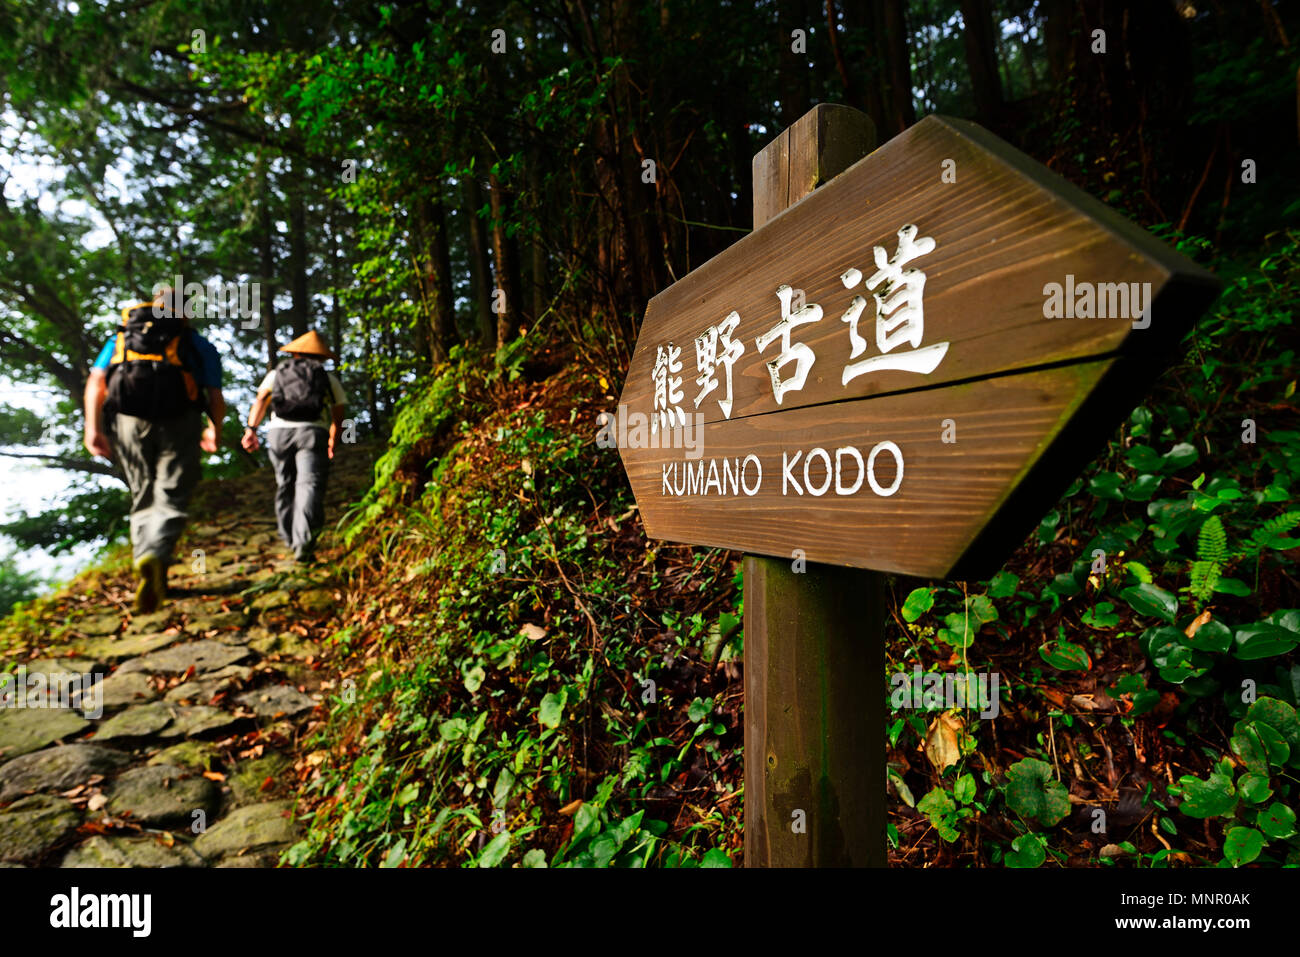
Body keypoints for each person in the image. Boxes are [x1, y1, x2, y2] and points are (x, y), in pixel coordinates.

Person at [83, 295, 226, 613]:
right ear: (185, 314)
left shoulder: (122, 337)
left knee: (142, 490)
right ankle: (157, 555)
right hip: (180, 419)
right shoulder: (194, 343)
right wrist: (214, 428)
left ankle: (145, 559)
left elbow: (97, 381)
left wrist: (93, 428)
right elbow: (214, 394)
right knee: (172, 490)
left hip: (128, 420)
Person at [240, 330, 346, 564]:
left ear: (296, 353)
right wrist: (332, 442)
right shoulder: (328, 379)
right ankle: (304, 544)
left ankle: (288, 537)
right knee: (308, 486)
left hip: (278, 433)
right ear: (321, 357)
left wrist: (251, 430)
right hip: (312, 432)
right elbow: (339, 417)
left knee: (285, 484)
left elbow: (260, 401)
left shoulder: (277, 373)